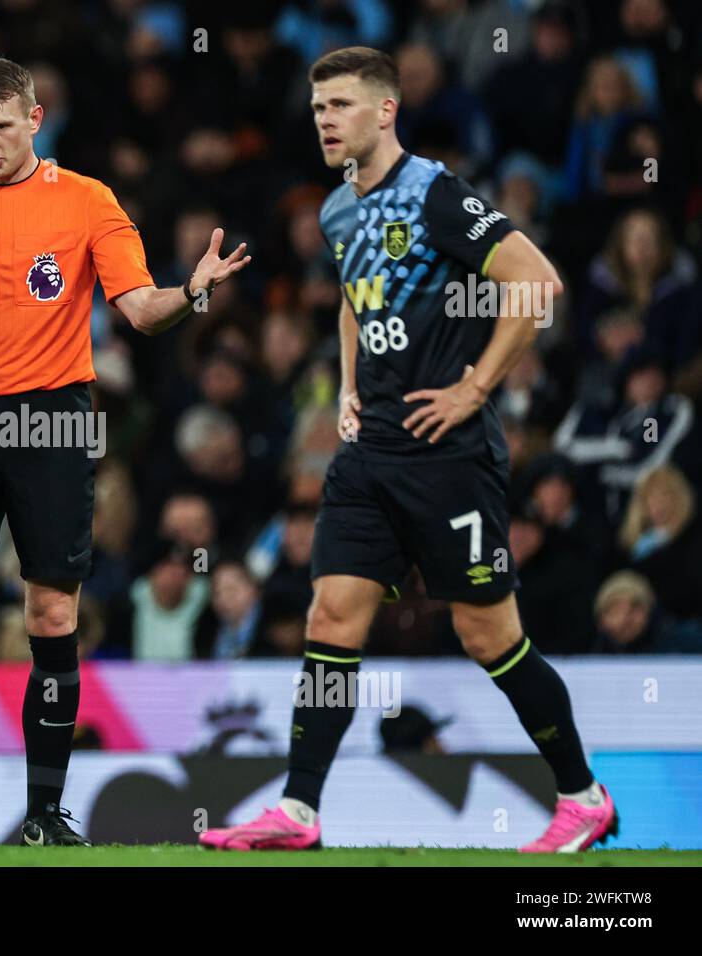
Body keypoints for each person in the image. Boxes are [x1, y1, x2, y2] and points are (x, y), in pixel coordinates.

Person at [200, 47, 617, 855]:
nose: (326, 119)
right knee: (331, 615)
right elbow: (359, 300)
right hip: (371, 456)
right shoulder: (336, 210)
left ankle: (583, 795)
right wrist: (351, 385)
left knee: (489, 636)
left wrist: (475, 390)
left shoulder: (432, 193)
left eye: (343, 105)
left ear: (386, 111)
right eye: (319, 107)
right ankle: (299, 809)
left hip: (449, 453)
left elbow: (535, 281)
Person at [0, 57, 248, 847]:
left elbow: (140, 310)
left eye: (0, 126)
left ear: (35, 121)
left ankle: (43, 812)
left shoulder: (88, 201)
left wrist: (194, 290)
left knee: (52, 610)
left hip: (55, 419)